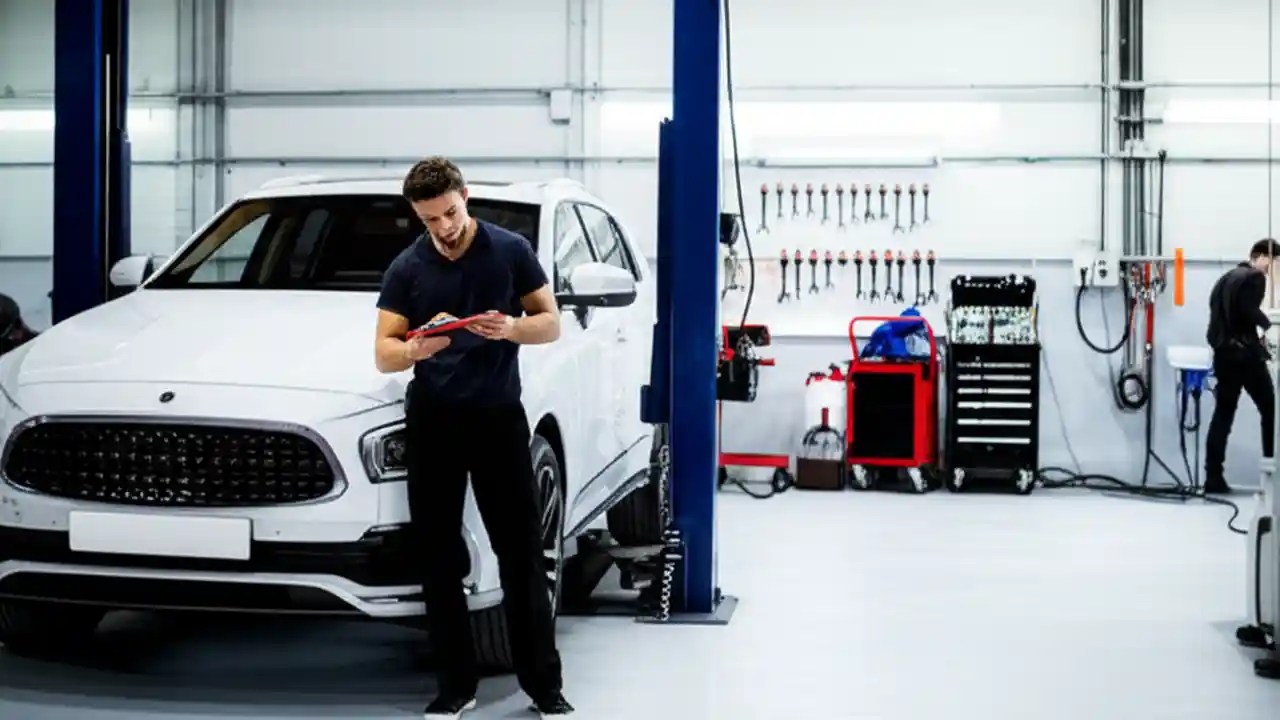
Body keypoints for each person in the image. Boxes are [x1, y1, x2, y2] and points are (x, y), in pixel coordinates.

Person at [374, 156, 572, 717]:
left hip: (497, 420)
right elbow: (384, 352)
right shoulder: (407, 268)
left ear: (467, 196)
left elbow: (550, 321)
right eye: (429, 219)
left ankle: (543, 686)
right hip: (433, 423)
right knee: (437, 559)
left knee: (522, 556)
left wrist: (510, 327)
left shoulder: (510, 251)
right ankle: (455, 687)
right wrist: (416, 347)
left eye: (450, 213)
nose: (443, 227)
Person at [1204, 238, 1280, 494]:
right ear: (1260, 256)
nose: (1272, 268)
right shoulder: (1254, 277)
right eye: (1273, 261)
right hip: (1245, 357)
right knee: (1271, 411)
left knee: (1223, 415)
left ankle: (1213, 477)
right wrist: (1271, 325)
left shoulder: (1225, 279)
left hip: (1223, 356)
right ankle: (1273, 477)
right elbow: (1248, 311)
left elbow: (1223, 315)